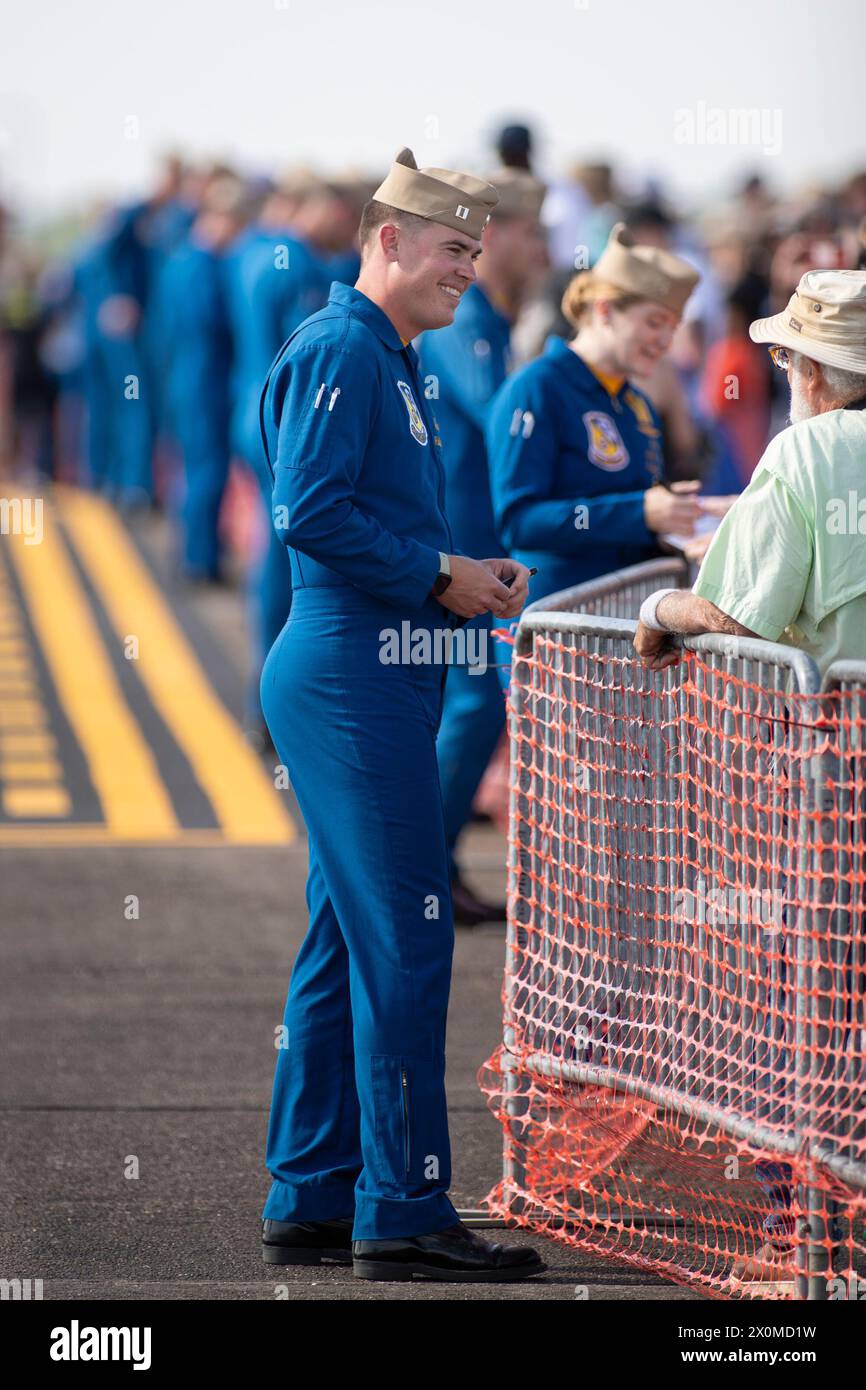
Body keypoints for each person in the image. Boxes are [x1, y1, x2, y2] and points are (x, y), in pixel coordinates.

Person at [257, 147, 543, 1282]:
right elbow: (305, 511)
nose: (466, 270)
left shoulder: (395, 359)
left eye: (476, 251)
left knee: (343, 935)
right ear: (387, 240)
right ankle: (405, 1205)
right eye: (449, 249)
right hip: (345, 671)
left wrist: (461, 571)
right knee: (409, 937)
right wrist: (439, 576)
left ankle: (312, 1189)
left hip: (376, 668)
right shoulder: (341, 348)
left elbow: (361, 514)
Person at [633, 268, 866, 1281]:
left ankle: (798, 1229)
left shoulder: (803, 453)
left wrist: (659, 613)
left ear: (812, 371)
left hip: (825, 761)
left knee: (797, 996)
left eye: (785, 357)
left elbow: (734, 616)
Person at [486, 221, 706, 688]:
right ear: (605, 310)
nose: (664, 342)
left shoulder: (635, 404)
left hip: (619, 639)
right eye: (653, 322)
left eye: (672, 327)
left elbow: (635, 512)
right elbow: (519, 520)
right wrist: (641, 511)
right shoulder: (538, 387)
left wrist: (690, 520)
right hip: (551, 636)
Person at [418, 169, 547, 926]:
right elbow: (502, 418)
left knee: (472, 706)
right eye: (532, 233)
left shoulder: (490, 318)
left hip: (477, 535)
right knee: (470, 705)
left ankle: (430, 864)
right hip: (463, 540)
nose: (544, 249)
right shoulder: (470, 322)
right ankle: (423, 865)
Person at [160, 175, 245, 581]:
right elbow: (210, 320)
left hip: (191, 374)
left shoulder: (182, 258)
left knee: (196, 467)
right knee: (206, 469)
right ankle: (200, 559)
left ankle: (197, 551)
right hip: (203, 378)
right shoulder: (201, 263)